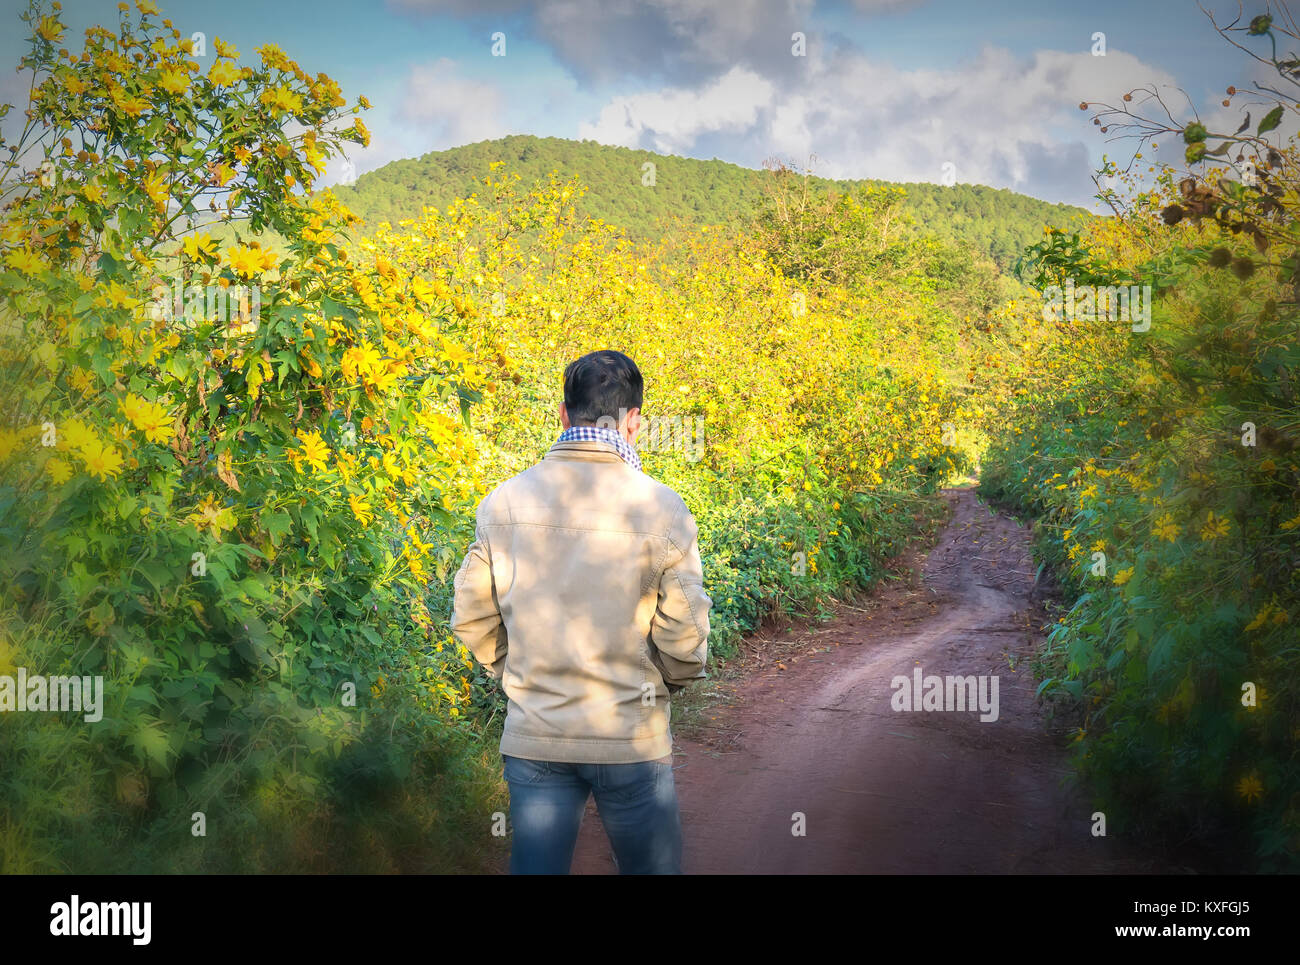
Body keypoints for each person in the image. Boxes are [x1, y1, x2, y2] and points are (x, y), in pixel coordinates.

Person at [450, 349, 711, 874]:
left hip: (537, 733)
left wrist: (517, 675)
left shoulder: (502, 502)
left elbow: (473, 617)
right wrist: (660, 683)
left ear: (564, 416)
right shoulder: (663, 508)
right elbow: (685, 636)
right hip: (630, 736)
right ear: (635, 422)